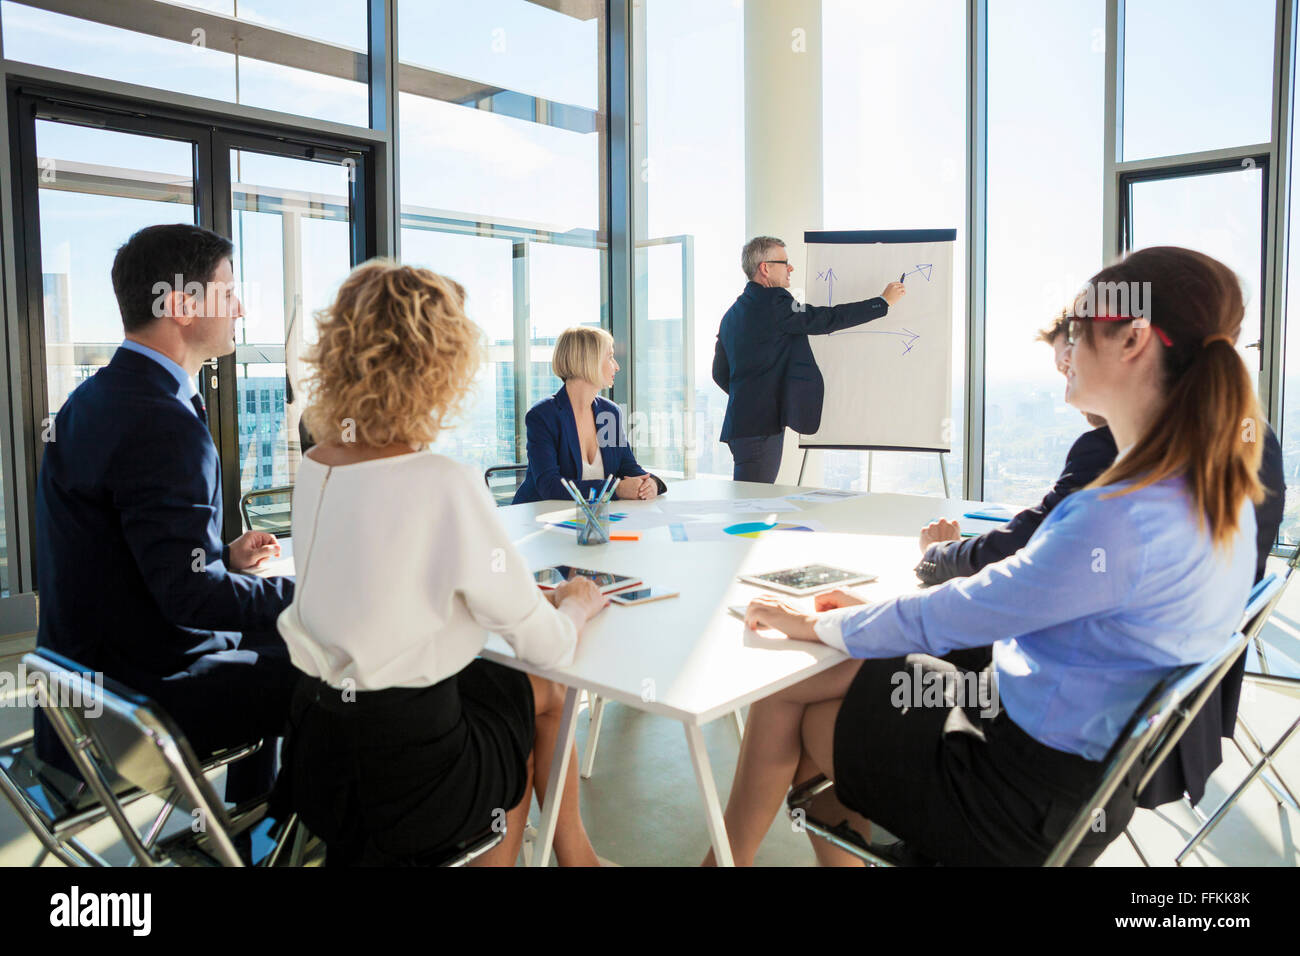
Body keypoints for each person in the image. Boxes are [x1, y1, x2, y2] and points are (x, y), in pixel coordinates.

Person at [710, 246, 1263, 866]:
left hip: (1010, 797)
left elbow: (969, 611)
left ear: (1133, 340)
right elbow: (1002, 607)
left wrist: (815, 622)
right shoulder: (1218, 496)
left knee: (804, 721)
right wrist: (865, 620)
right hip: (1076, 783)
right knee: (824, 686)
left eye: (1078, 331)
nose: (1066, 350)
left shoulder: (1116, 515)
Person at [275, 261, 608, 866]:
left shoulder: (318, 465)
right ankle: (574, 855)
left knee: (501, 693)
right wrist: (577, 606)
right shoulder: (438, 482)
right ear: (439, 365)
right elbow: (545, 645)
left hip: (319, 755)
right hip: (414, 777)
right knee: (547, 690)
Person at [916, 311, 1285, 810]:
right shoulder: (1250, 433)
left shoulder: (1120, 446)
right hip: (1176, 698)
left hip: (1092, 720)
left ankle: (933, 808)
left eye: (1070, 362)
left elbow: (1023, 546)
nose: (1067, 381)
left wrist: (937, 557)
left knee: (907, 662)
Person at [34, 223, 296, 800]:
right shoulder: (163, 422)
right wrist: (313, 593)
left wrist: (217, 557)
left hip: (82, 693)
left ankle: (256, 826)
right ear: (181, 304)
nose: (242, 308)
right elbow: (192, 600)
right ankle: (284, 837)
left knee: (285, 644)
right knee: (323, 665)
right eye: (228, 292)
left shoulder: (91, 400)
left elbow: (113, 549)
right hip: (139, 704)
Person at [712, 236, 906, 483]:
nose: (790, 268)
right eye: (785, 262)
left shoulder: (732, 314)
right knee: (752, 508)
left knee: (749, 499)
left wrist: (752, 395)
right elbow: (824, 318)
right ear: (765, 268)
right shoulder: (775, 302)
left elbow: (719, 373)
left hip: (740, 428)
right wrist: (882, 302)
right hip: (761, 429)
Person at [513, 325, 665, 504]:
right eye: (610, 357)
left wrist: (652, 483)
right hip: (537, 520)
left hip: (588, 519)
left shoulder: (610, 413)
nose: (616, 366)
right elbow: (550, 486)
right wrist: (615, 489)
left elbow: (628, 467)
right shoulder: (543, 416)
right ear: (588, 361)